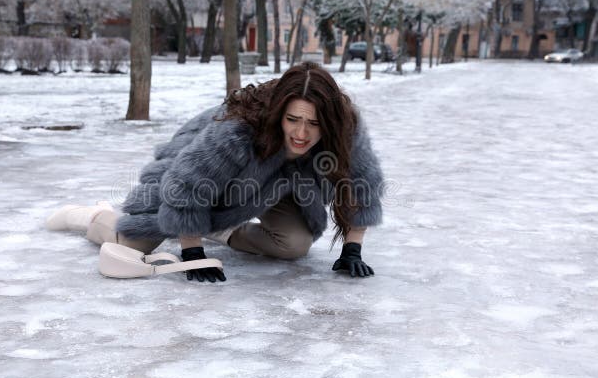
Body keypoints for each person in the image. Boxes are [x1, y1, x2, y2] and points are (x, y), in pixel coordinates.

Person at [47, 62, 384, 283]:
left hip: (278, 185)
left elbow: (362, 187)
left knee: (294, 244)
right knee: (133, 241)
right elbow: (186, 185)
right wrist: (192, 252)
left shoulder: (346, 129)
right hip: (201, 169)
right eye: (293, 119)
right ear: (278, 114)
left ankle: (218, 229)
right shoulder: (238, 130)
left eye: (313, 123)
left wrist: (352, 249)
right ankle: (91, 215)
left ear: (329, 122)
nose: (301, 133)